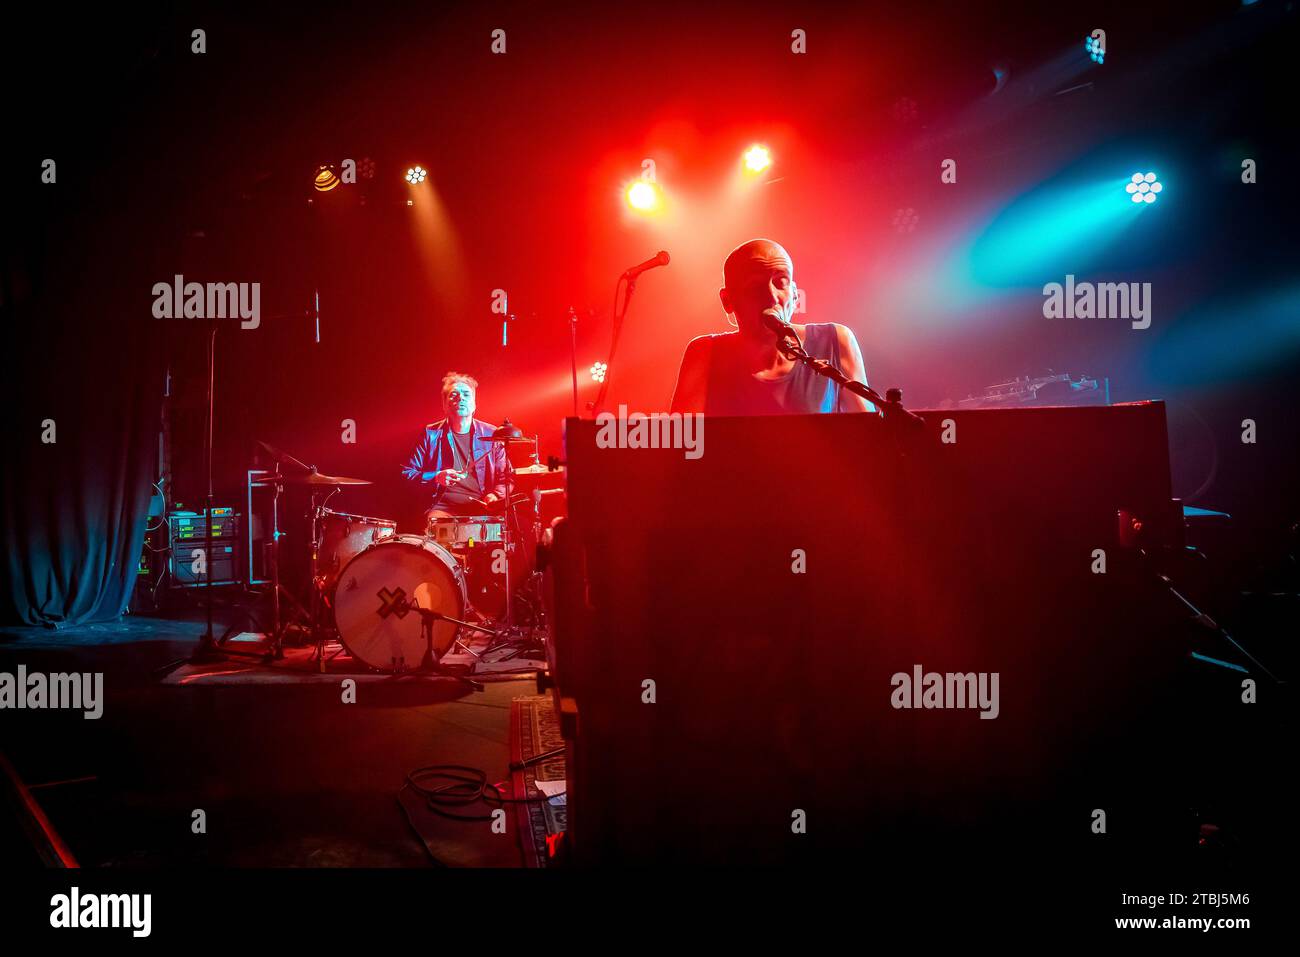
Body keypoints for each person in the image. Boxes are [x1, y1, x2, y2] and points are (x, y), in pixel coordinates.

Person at [669, 238, 877, 415]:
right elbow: (681, 446)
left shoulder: (835, 340)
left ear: (794, 294)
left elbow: (868, 437)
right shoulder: (705, 354)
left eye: (780, 282)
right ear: (727, 300)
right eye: (755, 287)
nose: (771, 297)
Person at [402, 372, 510, 521]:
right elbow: (407, 473)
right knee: (438, 529)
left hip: (481, 507)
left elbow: (507, 477)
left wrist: (495, 495)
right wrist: (436, 477)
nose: (461, 398)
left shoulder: (492, 434)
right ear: (444, 404)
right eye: (454, 395)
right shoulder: (430, 434)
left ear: (474, 404)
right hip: (442, 508)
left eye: (466, 394)